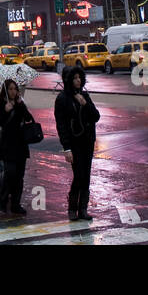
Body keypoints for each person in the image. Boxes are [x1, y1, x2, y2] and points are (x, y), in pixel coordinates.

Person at [54, 65, 100, 220]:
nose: (78, 80)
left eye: (79, 77)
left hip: (88, 141)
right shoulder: (62, 99)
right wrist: (66, 148)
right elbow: (61, 125)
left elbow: (96, 116)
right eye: (74, 78)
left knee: (86, 175)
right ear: (68, 80)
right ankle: (72, 207)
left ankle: (83, 209)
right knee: (79, 175)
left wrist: (85, 104)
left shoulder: (84, 95)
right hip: (74, 143)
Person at [0, 78, 33, 215]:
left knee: (19, 176)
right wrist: (5, 110)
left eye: (15, 89)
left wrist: (21, 105)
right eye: (10, 89)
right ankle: (3, 201)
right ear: (5, 90)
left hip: (21, 144)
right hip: (7, 145)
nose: (13, 91)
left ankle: (16, 204)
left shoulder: (20, 103)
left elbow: (28, 118)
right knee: (10, 174)